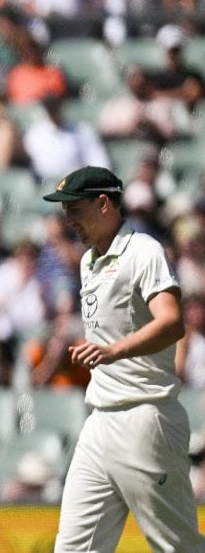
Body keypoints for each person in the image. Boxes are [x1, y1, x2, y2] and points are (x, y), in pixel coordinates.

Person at [42, 166, 204, 551]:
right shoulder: (88, 262)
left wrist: (113, 351)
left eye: (74, 209)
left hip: (144, 416)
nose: (68, 220)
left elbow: (171, 322)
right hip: (99, 420)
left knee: (177, 546)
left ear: (103, 203)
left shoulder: (143, 250)